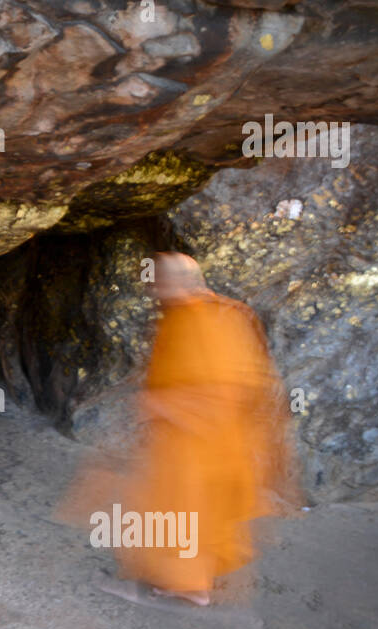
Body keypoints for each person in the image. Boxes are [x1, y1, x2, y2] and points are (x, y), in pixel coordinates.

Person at [56, 252, 299, 606]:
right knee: (195, 512)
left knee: (178, 510)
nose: (154, 290)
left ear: (178, 282)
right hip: (215, 439)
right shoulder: (228, 314)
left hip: (196, 441)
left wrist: (162, 404)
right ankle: (188, 580)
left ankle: (182, 586)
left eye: (159, 283)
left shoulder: (198, 320)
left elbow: (222, 390)